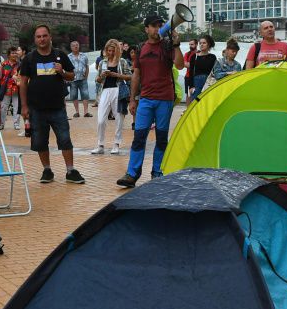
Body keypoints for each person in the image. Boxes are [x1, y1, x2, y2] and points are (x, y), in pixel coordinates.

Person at [117, 15, 185, 188]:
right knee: (139, 137)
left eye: (160, 25)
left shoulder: (168, 45)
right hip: (146, 99)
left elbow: (179, 65)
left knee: (161, 138)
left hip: (165, 99)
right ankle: (132, 174)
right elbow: (136, 75)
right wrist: (133, 99)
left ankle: (157, 172)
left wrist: (176, 44)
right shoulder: (141, 48)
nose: (157, 28)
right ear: (146, 29)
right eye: (153, 26)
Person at [18, 24, 83, 184]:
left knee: (65, 139)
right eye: (38, 36)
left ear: (50, 37)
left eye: (44, 36)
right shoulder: (29, 58)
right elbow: (23, 83)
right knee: (40, 141)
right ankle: (47, 170)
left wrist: (62, 72)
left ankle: (70, 170)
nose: (42, 39)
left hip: (57, 107)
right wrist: (24, 106)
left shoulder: (60, 55)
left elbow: (71, 76)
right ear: (35, 39)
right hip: (36, 108)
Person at [92, 39, 128, 154]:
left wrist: (115, 74)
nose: (111, 53)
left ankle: (116, 144)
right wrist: (102, 76)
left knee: (118, 118)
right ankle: (100, 145)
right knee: (101, 119)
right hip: (105, 91)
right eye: (109, 50)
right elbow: (97, 79)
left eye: (113, 50)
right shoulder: (102, 62)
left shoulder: (121, 61)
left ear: (117, 50)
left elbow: (130, 76)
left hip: (118, 90)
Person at [0, 45, 22, 132]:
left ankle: (16, 123)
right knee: (3, 107)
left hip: (16, 89)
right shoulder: (4, 64)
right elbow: (0, 77)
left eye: (15, 53)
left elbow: (22, 77)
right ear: (9, 55)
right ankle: (2, 123)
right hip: (5, 89)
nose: (14, 54)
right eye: (12, 53)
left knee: (16, 106)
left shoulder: (20, 65)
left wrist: (17, 78)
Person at [66, 40, 92, 117]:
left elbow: (87, 66)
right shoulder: (68, 57)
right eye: (73, 45)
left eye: (77, 45)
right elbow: (67, 68)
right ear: (71, 47)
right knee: (74, 95)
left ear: (79, 46)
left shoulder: (84, 55)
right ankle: (77, 112)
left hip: (83, 78)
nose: (75, 46)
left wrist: (86, 76)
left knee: (85, 94)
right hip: (73, 79)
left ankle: (86, 112)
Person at [187, 35, 217, 102]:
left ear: (209, 44)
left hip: (208, 84)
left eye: (204, 43)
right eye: (200, 43)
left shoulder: (212, 57)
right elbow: (191, 72)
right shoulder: (194, 57)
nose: (201, 45)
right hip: (196, 85)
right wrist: (191, 87)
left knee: (207, 104)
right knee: (195, 105)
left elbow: (214, 72)